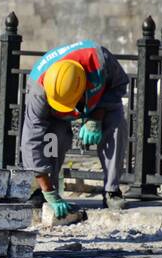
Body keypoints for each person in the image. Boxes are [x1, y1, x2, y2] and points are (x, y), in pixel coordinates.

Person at [20, 40, 130, 217]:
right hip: (57, 110)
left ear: (84, 86)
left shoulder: (101, 60)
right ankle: (47, 192)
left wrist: (96, 118)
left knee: (117, 126)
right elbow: (31, 141)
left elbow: (119, 85)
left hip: (99, 102)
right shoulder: (39, 90)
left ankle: (112, 190)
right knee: (53, 137)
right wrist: (47, 189)